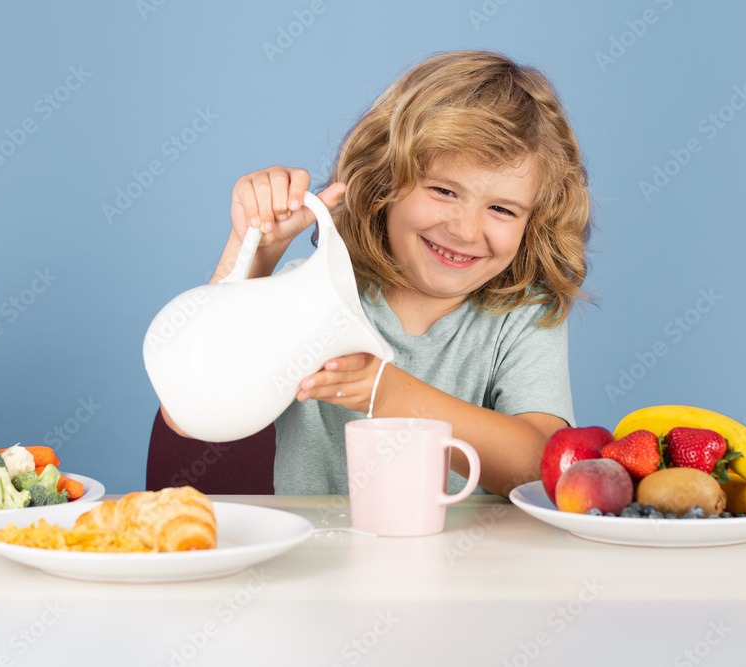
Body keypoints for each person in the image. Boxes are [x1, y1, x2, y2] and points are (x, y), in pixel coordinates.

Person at [162, 50, 592, 498]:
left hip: (472, 567)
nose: (465, 230)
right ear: (385, 181)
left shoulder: (523, 316)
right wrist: (255, 250)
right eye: (444, 190)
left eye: (501, 209)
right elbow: (189, 410)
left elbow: (539, 467)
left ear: (534, 223)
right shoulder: (311, 294)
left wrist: (385, 394)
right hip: (321, 564)